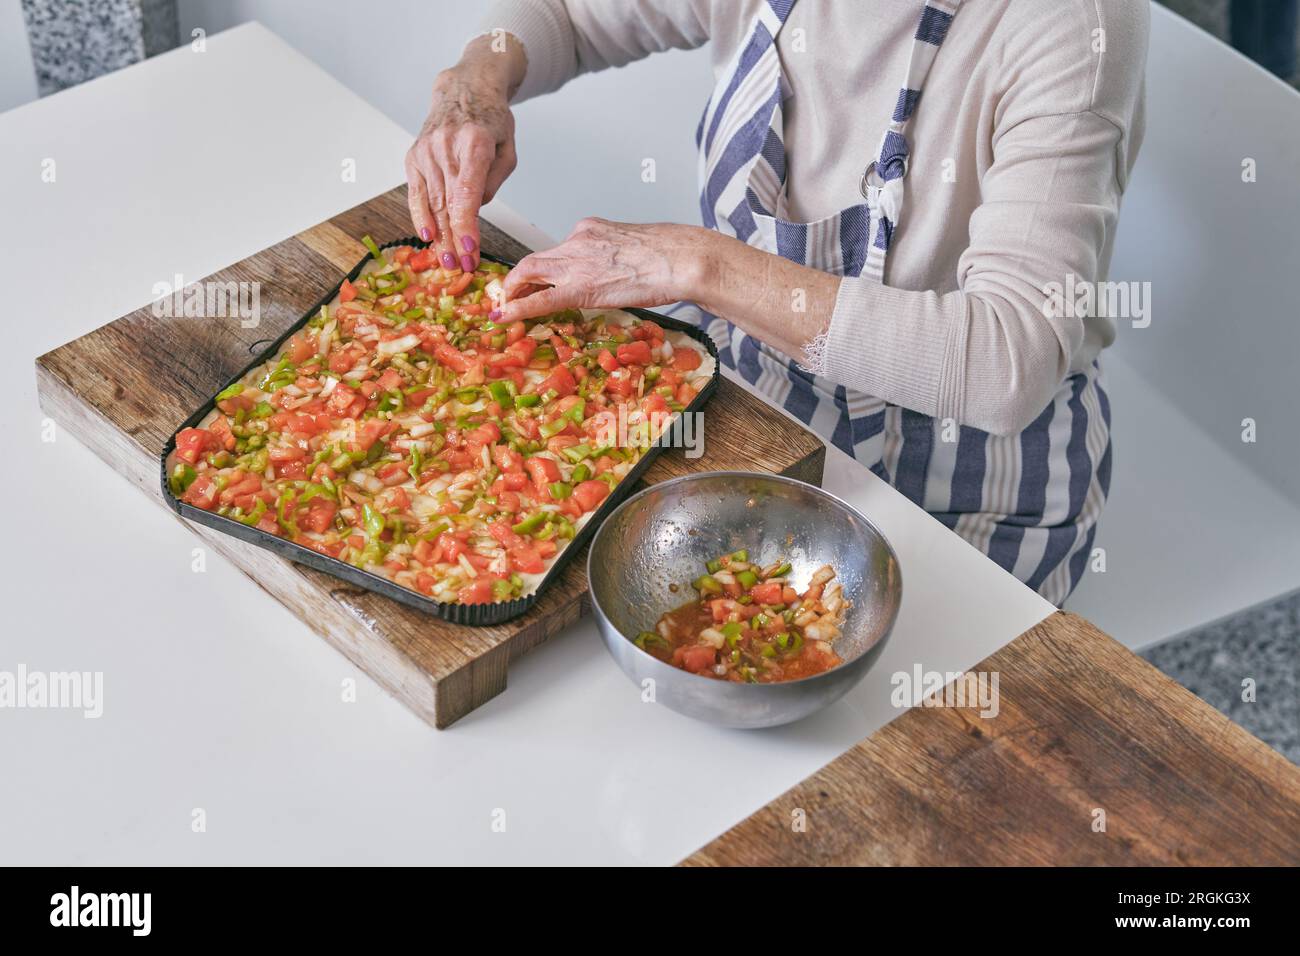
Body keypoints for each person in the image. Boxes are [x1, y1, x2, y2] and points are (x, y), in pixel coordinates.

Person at [404, 0, 1149, 606]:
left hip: (958, 485)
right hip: (748, 407)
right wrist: (473, 80)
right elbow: (567, 14)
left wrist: (698, 262)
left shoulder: (1075, 23)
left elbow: (1005, 362)